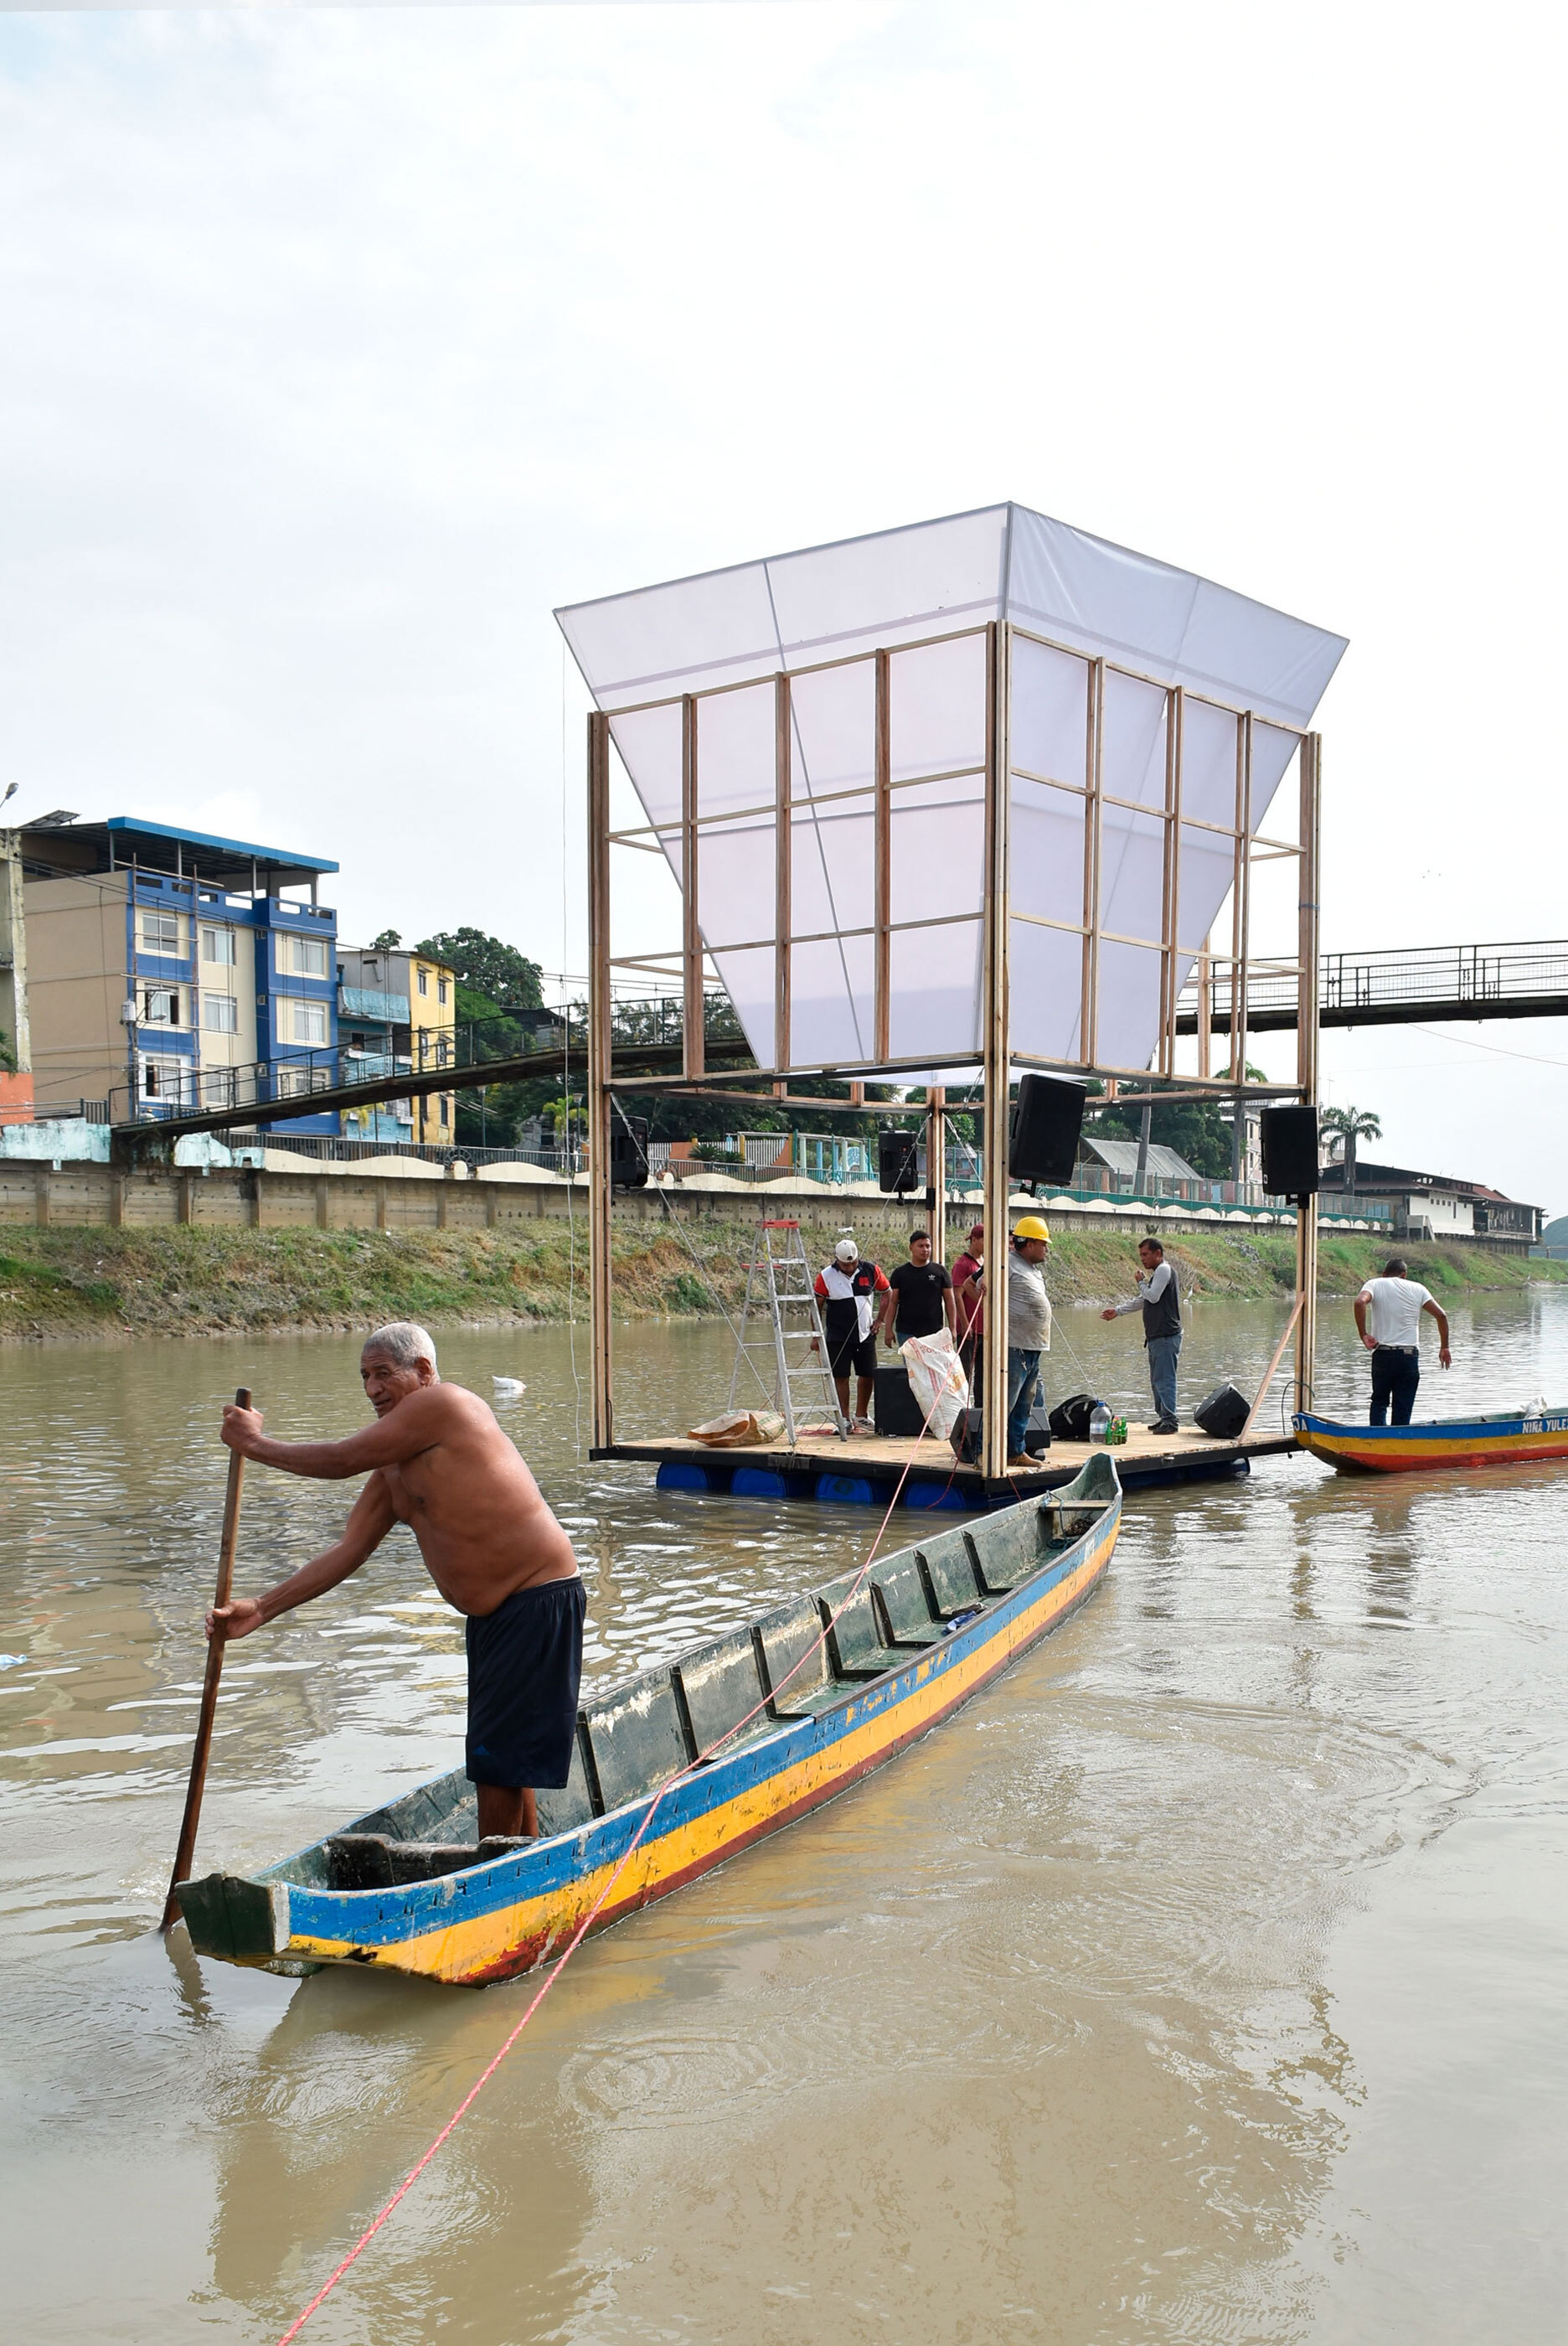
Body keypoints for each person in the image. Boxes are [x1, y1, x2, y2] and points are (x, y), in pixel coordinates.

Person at [206, 1320, 582, 1843]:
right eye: (364, 1377)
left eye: (383, 1374)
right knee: (503, 1756)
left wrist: (254, 1444)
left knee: (498, 1760)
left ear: (423, 1371)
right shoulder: (394, 1470)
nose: (371, 1390)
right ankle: (524, 1858)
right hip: (496, 1616)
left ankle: (492, 1872)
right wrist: (263, 1608)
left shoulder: (446, 1404)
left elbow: (341, 1459)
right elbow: (349, 1550)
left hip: (536, 1597)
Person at [1101, 1235, 1184, 1434]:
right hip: (1157, 1338)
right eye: (1141, 1255)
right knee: (1157, 1381)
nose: (1143, 1259)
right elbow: (1144, 1299)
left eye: (1145, 1254)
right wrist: (1118, 1311)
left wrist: (1140, 1283)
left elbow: (1152, 1297)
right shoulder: (1157, 1274)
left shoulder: (1164, 1269)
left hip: (1165, 1336)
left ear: (1158, 1254)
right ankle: (1164, 1417)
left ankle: (1170, 1422)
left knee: (1165, 1380)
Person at [1354, 1257, 1452, 1424]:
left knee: (1379, 1402)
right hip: (1408, 1357)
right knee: (1403, 1407)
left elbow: (1359, 1302)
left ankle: (1377, 1442)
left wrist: (1364, 1334)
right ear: (1404, 1274)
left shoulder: (1375, 1284)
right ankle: (1398, 1443)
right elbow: (1441, 1315)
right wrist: (1444, 1348)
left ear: (1384, 1274)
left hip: (1383, 1355)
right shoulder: (1418, 1288)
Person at [812, 1237, 890, 1431]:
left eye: (853, 1263)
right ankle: (844, 1419)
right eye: (846, 1264)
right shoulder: (825, 1276)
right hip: (838, 1334)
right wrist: (815, 1334)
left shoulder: (871, 1270)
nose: (850, 1267)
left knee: (868, 1373)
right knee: (841, 1375)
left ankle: (861, 1415)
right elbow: (816, 1306)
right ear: (837, 1260)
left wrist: (880, 1319)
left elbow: (887, 1292)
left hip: (865, 1332)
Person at [881, 1229, 956, 1351]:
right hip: (906, 1332)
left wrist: (952, 1328)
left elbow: (950, 1301)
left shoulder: (940, 1271)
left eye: (928, 1246)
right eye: (920, 1246)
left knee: (932, 1368)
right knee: (911, 1368)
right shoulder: (900, 1273)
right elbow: (893, 1303)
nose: (925, 1249)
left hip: (934, 1332)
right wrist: (888, 1329)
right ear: (911, 1247)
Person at [952, 1222, 985, 1403]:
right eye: (985, 1240)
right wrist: (965, 1324)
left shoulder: (985, 1262)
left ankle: (980, 1409)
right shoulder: (962, 1264)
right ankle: (960, 1407)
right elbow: (958, 1296)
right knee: (965, 1371)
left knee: (983, 1373)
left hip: (984, 1328)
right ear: (974, 1240)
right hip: (969, 1328)